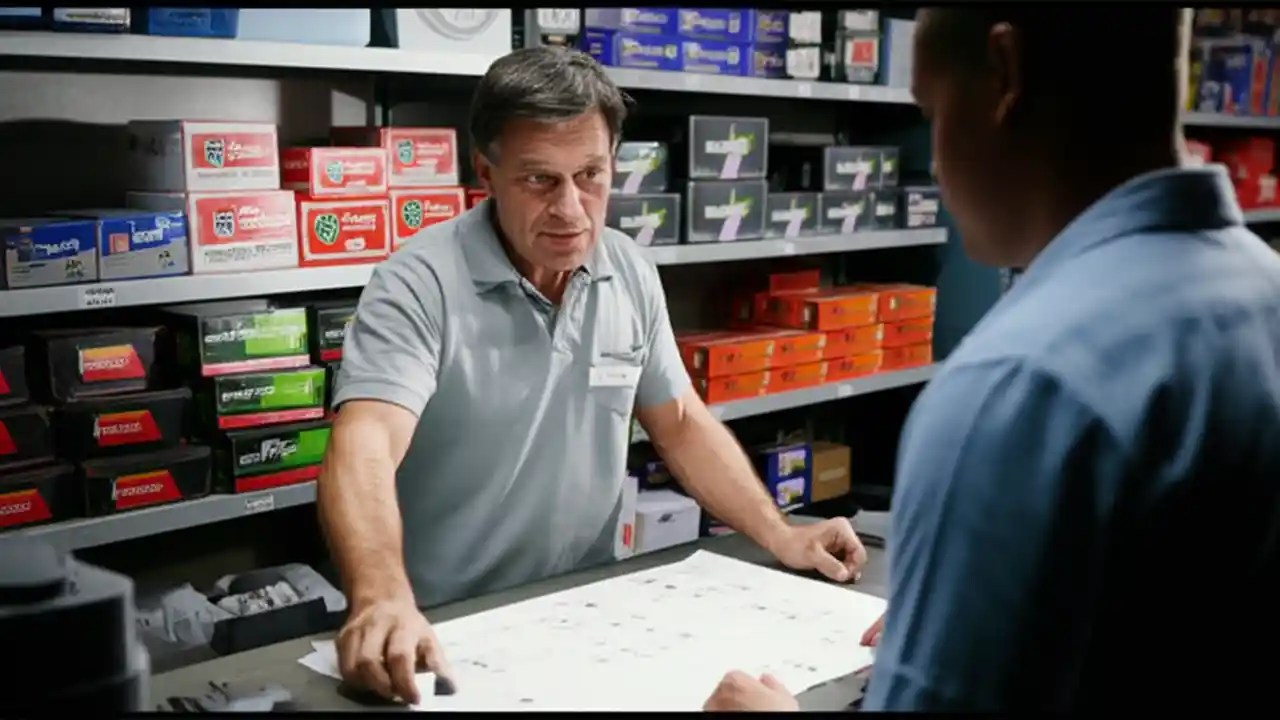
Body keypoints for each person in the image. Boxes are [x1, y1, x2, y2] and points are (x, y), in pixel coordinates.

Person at [705, 6, 1280, 712]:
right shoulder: (1263, 293)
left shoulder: (1019, 384)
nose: (937, 162)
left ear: (1005, 74)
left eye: (934, 110)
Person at [316, 45, 869, 706]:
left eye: (590, 175)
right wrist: (381, 597)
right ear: (485, 172)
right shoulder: (418, 283)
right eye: (539, 180)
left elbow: (682, 423)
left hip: (592, 612)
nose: (572, 209)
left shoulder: (629, 270)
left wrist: (781, 533)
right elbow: (365, 440)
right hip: (445, 628)